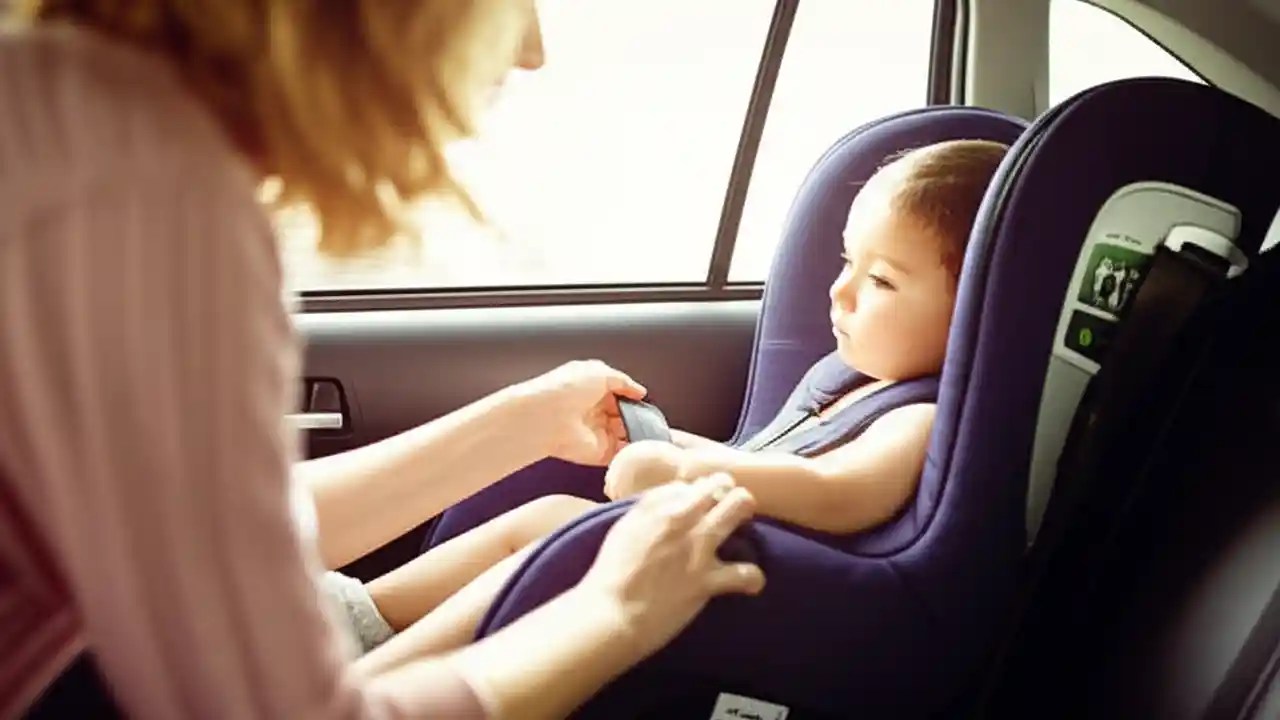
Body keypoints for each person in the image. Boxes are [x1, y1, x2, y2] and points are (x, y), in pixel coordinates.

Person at [0, 2, 764, 719]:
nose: (532, 50)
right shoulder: (146, 195)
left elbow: (205, 527)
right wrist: (614, 611)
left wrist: (523, 424)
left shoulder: (70, 119)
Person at [361, 139, 1010, 643]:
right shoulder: (858, 383)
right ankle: (362, 618)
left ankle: (371, 666)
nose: (840, 291)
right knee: (546, 516)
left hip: (759, 599)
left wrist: (680, 467)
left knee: (557, 528)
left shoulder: (918, 420)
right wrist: (668, 441)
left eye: (883, 282)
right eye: (847, 262)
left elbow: (835, 495)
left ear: (979, 310)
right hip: (711, 550)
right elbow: (767, 456)